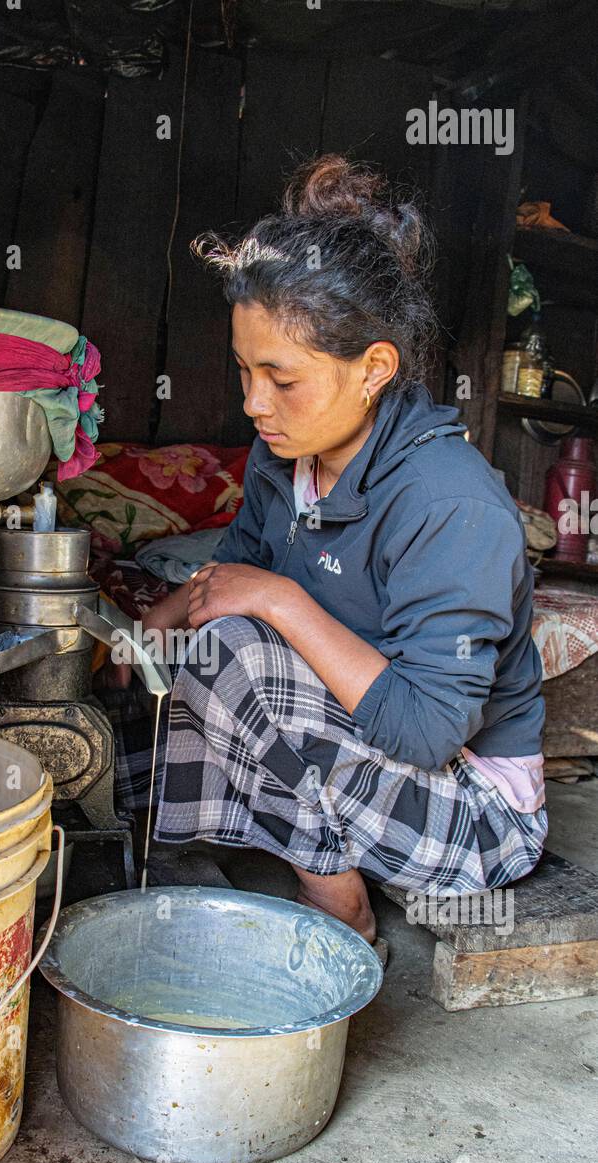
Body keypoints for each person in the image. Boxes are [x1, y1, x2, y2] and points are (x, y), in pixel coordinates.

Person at [122, 154, 547, 946]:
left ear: (374, 370)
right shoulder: (283, 458)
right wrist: (146, 628)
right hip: (369, 760)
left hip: (474, 811)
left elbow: (426, 732)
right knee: (152, 704)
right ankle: (181, 863)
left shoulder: (450, 504)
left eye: (282, 379)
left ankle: (343, 912)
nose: (253, 403)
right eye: (246, 371)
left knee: (233, 654)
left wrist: (280, 600)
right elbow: (233, 572)